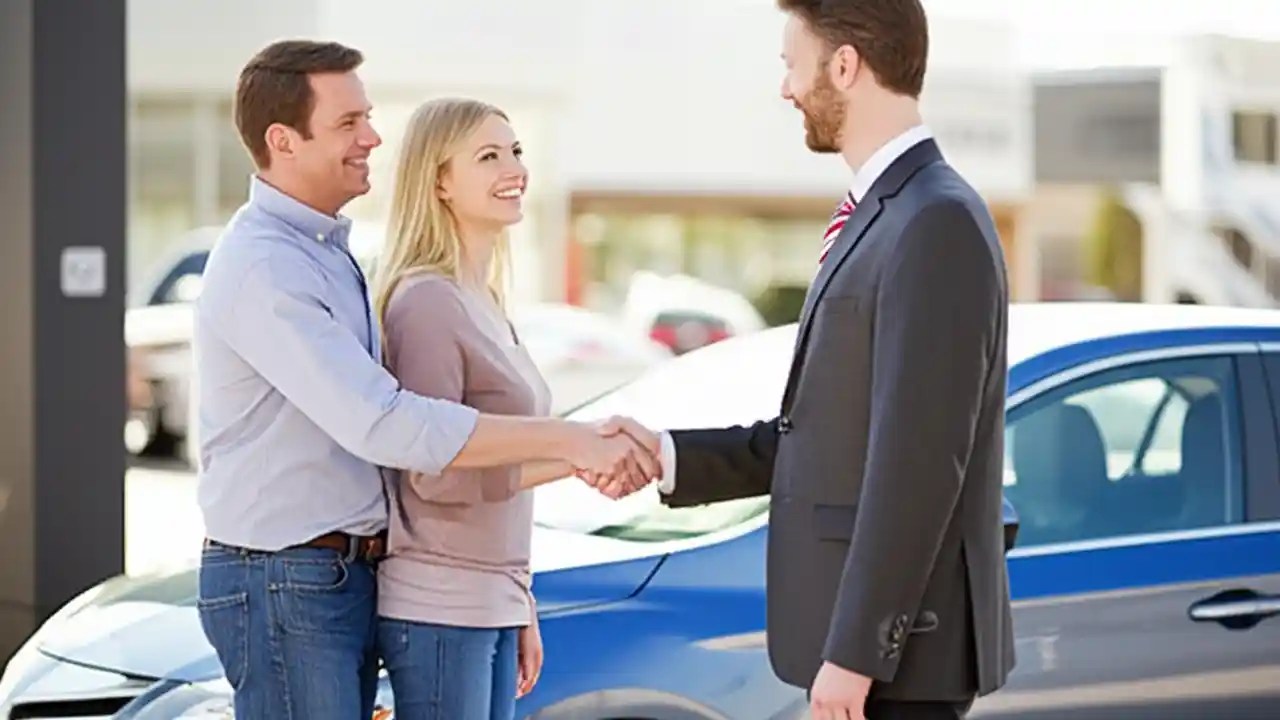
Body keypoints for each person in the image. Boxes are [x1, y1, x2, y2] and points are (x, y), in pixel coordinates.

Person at [193, 41, 658, 720]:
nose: (373, 137)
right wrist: (570, 441)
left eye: (367, 117)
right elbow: (386, 424)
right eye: (348, 122)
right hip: (283, 576)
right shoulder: (267, 267)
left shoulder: (325, 255)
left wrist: (514, 586)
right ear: (282, 141)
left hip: (335, 575)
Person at [606, 1, 1015, 718]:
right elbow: (826, 436)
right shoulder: (889, 211)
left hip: (901, 666)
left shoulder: (934, 220)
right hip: (872, 661)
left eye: (792, 65)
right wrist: (669, 456)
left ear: (845, 66)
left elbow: (919, 465)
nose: (786, 88)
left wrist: (857, 654)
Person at [369, 97, 568, 720]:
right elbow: (433, 474)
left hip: (490, 601)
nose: (514, 169)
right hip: (439, 607)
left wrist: (518, 598)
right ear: (439, 182)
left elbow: (497, 474)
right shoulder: (426, 303)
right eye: (488, 156)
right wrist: (574, 452)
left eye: (515, 151)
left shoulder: (484, 300)